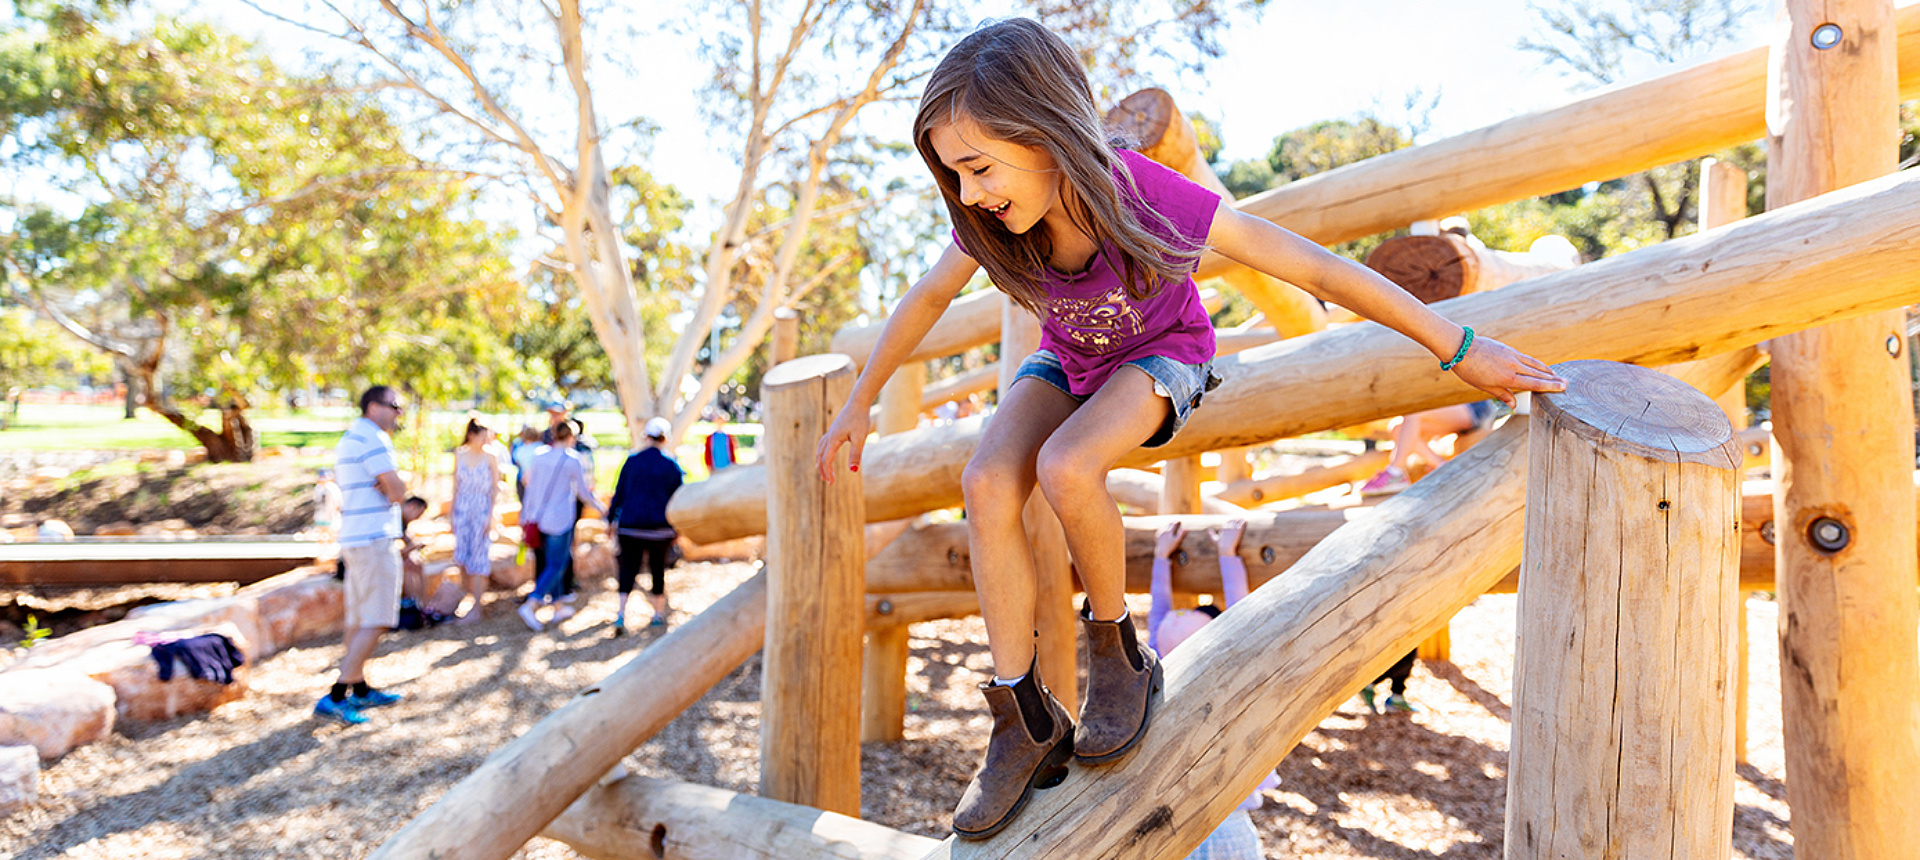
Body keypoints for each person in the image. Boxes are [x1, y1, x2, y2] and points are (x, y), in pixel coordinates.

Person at [812, 19, 1565, 841]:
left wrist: (1458, 346)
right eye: (953, 173)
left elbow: (1312, 266)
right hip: (1072, 361)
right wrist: (859, 402)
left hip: (1162, 355)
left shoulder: (1140, 192)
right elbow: (924, 298)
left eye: (980, 167)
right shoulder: (992, 221)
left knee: (1067, 465)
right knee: (986, 480)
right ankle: (1020, 713)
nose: (968, 193)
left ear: (1049, 137)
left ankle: (1119, 659)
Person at [1149, 519, 1274, 860]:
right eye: (1184, 611)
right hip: (1176, 819)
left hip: (1224, 814)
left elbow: (1241, 616)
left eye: (1192, 613)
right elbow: (1158, 607)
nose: (1181, 613)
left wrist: (1227, 553)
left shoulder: (1226, 667)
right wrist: (1160, 557)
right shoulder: (1159, 666)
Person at [318, 385, 411, 725]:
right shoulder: (372, 438)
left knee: (358, 618)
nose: (399, 413)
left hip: (355, 538)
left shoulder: (351, 437)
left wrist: (388, 487)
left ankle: (358, 687)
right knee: (378, 618)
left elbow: (388, 488)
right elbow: (398, 491)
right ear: (373, 407)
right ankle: (337, 694)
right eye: (394, 406)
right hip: (374, 538)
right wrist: (395, 486)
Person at [518, 417, 606, 631]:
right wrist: (602, 508)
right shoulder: (572, 459)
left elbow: (529, 487)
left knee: (553, 560)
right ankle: (533, 603)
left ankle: (557, 606)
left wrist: (525, 515)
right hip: (560, 519)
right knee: (557, 564)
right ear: (570, 437)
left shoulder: (540, 456)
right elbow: (583, 492)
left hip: (539, 518)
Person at [608, 417, 685, 636]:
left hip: (630, 527)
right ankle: (658, 615)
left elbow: (619, 494)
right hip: (660, 530)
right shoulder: (671, 465)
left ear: (647, 436)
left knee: (627, 570)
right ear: (665, 438)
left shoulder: (632, 461)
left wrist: (610, 520)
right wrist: (678, 528)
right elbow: (678, 500)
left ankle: (622, 614)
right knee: (657, 570)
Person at [1356, 401, 1502, 495]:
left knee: (1414, 409)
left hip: (1476, 408)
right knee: (1397, 427)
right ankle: (1442, 466)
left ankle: (1395, 471)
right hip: (1454, 408)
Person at [451, 417, 502, 625]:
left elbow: (496, 488)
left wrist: (491, 516)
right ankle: (466, 596)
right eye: (481, 435)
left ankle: (478, 606)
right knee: (462, 555)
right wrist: (451, 515)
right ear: (471, 435)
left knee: (479, 557)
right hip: (463, 509)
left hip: (481, 509)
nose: (485, 440)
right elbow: (455, 485)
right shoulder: (460, 454)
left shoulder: (490, 456)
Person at [511, 424, 541, 501]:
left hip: (522, 479)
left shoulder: (520, 449)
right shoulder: (541, 448)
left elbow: (516, 461)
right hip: (538, 480)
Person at [312, 467, 342, 540]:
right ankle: (322, 549)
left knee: (331, 533)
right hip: (321, 514)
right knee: (321, 533)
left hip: (331, 514)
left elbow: (336, 502)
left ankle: (331, 549)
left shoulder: (332, 488)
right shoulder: (318, 488)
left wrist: (332, 513)